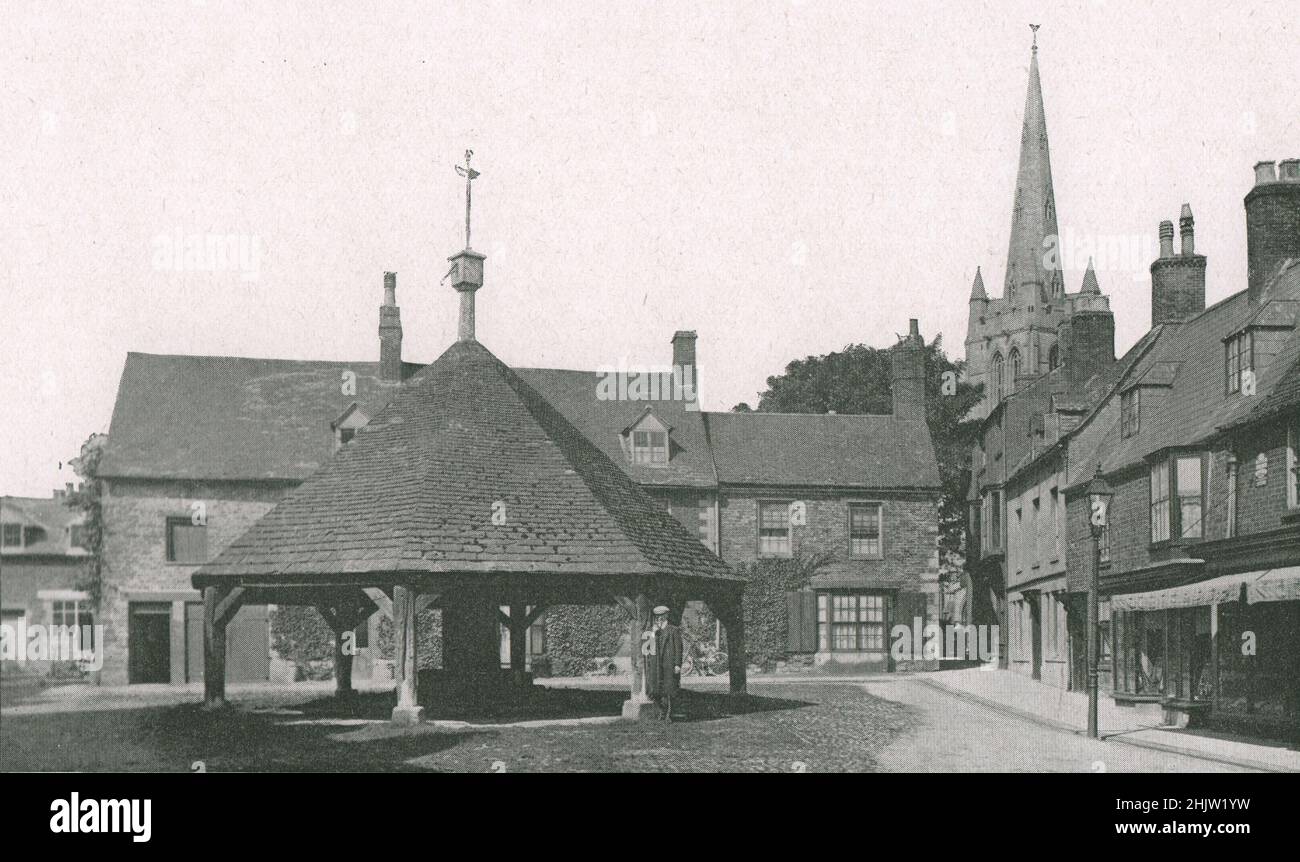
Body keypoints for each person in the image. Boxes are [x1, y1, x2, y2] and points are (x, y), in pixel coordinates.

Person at [644, 605, 683, 721]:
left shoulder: (673, 630)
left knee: (669, 690)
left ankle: (669, 715)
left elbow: (678, 648)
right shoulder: (653, 632)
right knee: (656, 690)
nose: (659, 619)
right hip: (656, 665)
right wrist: (653, 634)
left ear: (666, 616)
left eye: (661, 616)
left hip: (669, 664)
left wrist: (677, 664)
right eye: (657, 616)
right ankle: (661, 712)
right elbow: (647, 648)